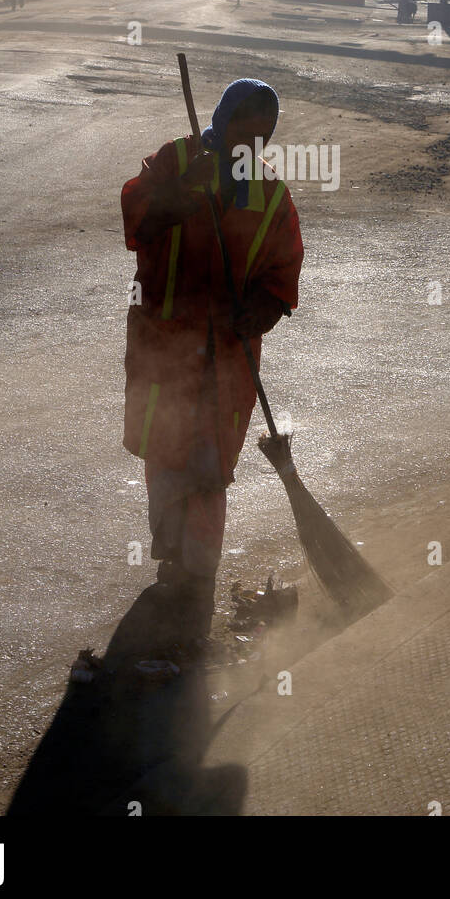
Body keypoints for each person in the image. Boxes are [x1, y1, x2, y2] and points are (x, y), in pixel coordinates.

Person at [121, 79, 304, 623]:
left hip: (228, 354)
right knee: (166, 448)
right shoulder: (178, 159)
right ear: (220, 125)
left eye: (261, 140)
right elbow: (137, 219)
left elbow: (284, 266)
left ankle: (198, 570)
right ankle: (170, 554)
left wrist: (265, 309)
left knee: (211, 461)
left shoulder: (270, 195)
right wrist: (180, 194)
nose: (249, 150)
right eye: (241, 136)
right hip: (164, 343)